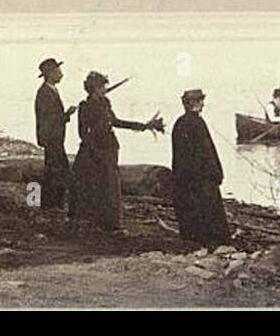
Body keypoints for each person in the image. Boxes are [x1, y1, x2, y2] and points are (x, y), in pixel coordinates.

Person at [71, 71, 164, 234]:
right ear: (93, 88)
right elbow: (83, 133)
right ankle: (98, 224)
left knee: (111, 186)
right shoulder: (85, 106)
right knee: (97, 186)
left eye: (104, 86)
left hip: (110, 149)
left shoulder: (105, 103)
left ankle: (111, 225)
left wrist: (142, 126)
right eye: (101, 86)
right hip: (95, 152)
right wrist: (95, 151)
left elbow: (115, 122)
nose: (104, 89)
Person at [171, 89, 229, 245]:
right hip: (202, 176)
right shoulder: (197, 123)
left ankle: (194, 237)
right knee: (208, 208)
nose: (203, 104)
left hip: (186, 177)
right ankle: (211, 240)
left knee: (192, 209)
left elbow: (178, 156)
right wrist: (216, 172)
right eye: (200, 101)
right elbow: (206, 151)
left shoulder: (179, 123)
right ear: (193, 103)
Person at [34, 58, 76, 213]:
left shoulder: (49, 91)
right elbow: (49, 119)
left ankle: (51, 206)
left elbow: (51, 117)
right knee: (56, 172)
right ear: (50, 74)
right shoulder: (45, 93)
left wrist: (65, 115)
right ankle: (51, 207)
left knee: (55, 172)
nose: (61, 75)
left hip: (54, 139)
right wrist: (66, 115)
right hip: (52, 140)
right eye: (58, 72)